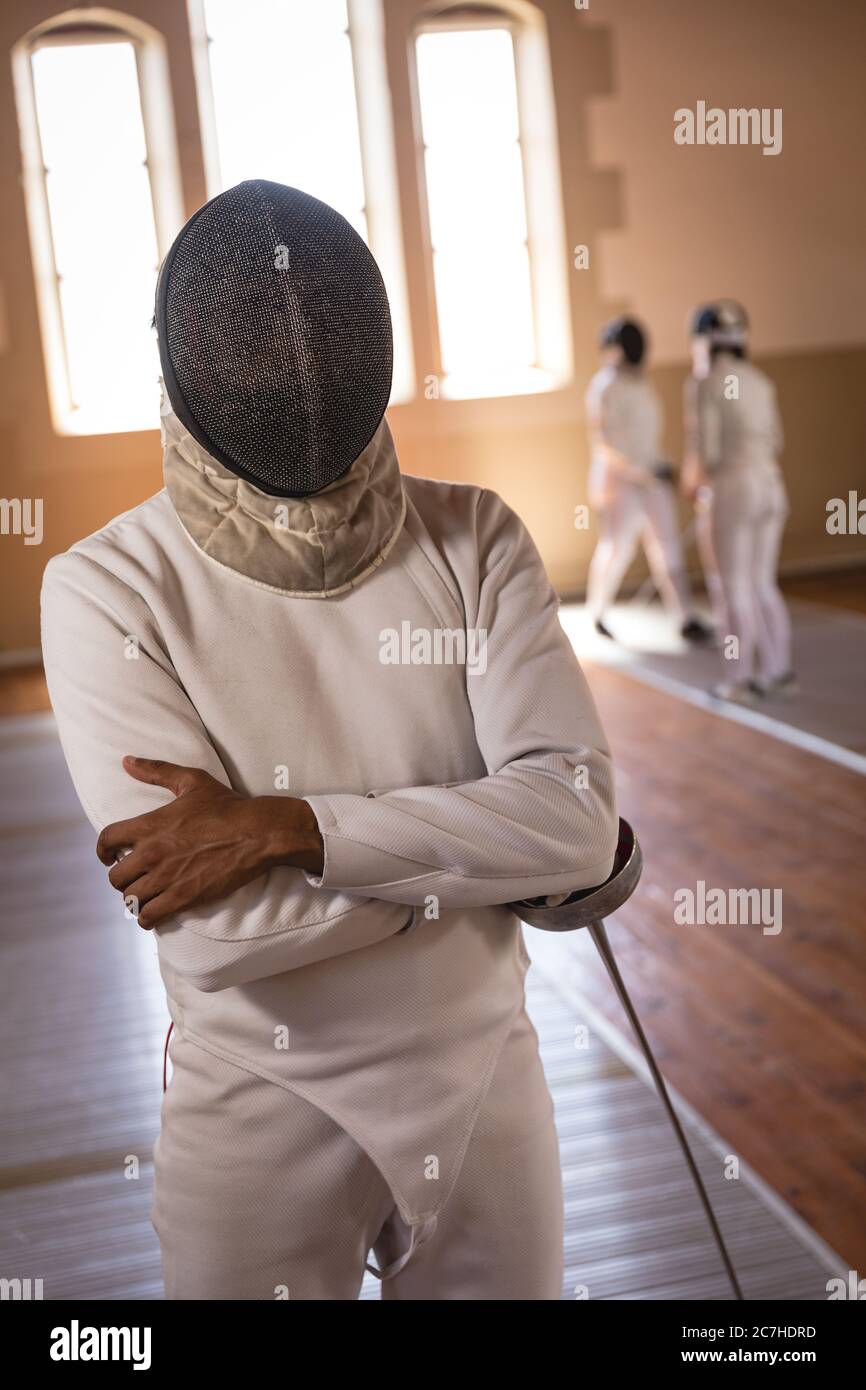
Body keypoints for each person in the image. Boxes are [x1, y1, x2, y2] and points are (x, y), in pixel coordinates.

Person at [40, 181, 619, 1301]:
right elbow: (220, 931)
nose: (297, 370)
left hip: (485, 1085)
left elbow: (580, 823)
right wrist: (486, 858)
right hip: (257, 1105)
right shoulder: (107, 588)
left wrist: (290, 828)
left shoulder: (476, 536)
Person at [683, 300, 795, 703]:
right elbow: (777, 440)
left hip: (733, 490)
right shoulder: (761, 380)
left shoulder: (705, 382)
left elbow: (707, 452)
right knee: (762, 582)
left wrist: (696, 484)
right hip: (771, 486)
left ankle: (739, 679)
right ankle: (778, 670)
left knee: (731, 588)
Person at [584, 317, 711, 643]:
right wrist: (643, 470)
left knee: (667, 547)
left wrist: (663, 465)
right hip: (618, 481)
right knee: (616, 548)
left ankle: (685, 617)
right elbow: (606, 443)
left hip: (651, 479)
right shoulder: (604, 386)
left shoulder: (642, 383)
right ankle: (597, 612)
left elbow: (646, 439)